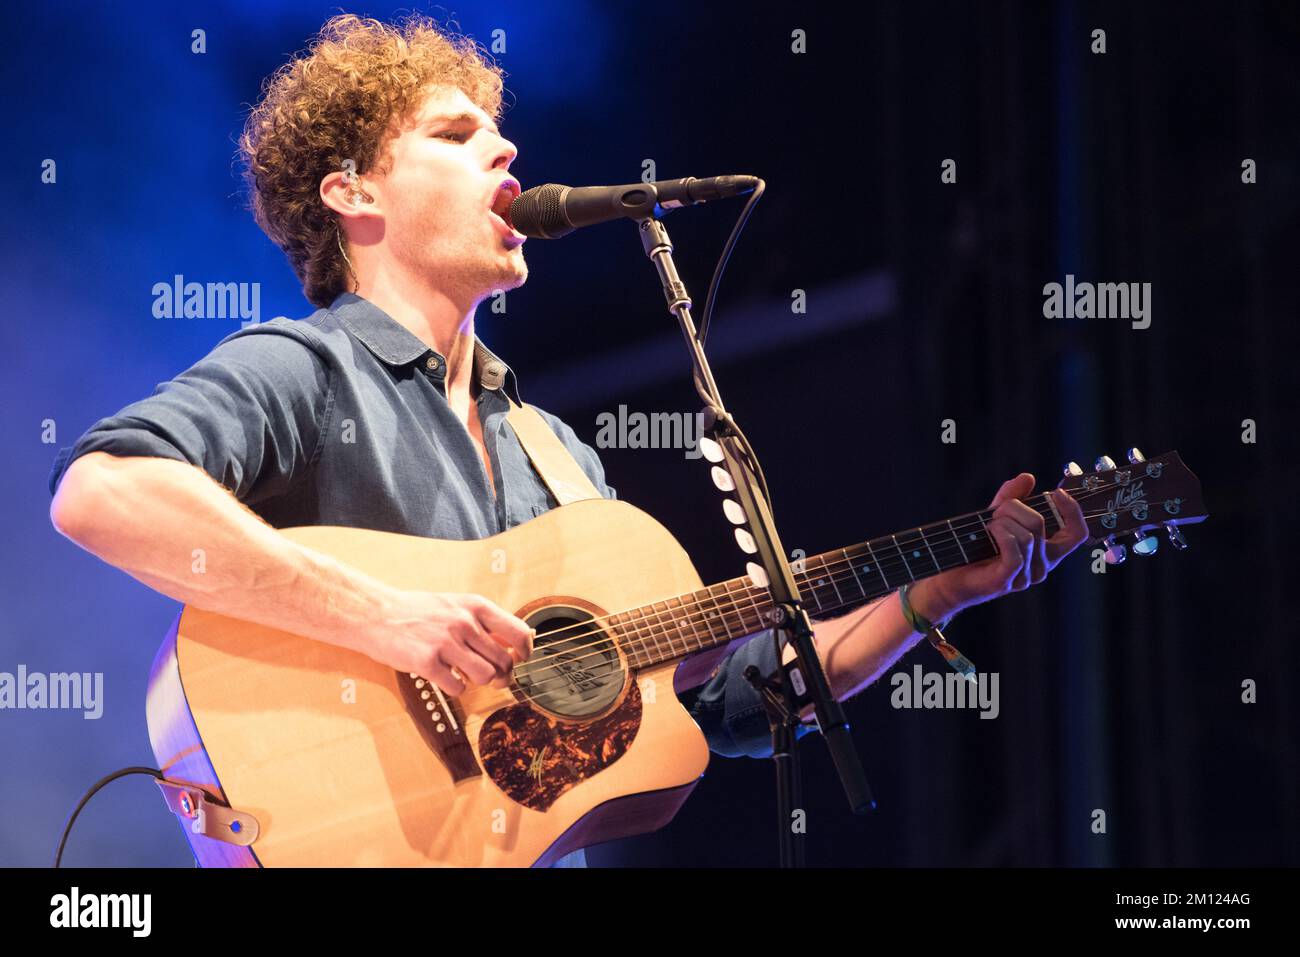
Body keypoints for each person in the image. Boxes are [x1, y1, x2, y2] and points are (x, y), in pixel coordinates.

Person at [47, 13, 1088, 867]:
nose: (505, 150)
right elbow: (99, 494)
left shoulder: (554, 450)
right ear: (351, 193)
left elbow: (728, 705)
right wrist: (386, 619)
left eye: (496, 133)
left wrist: (938, 590)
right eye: (454, 136)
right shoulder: (299, 369)